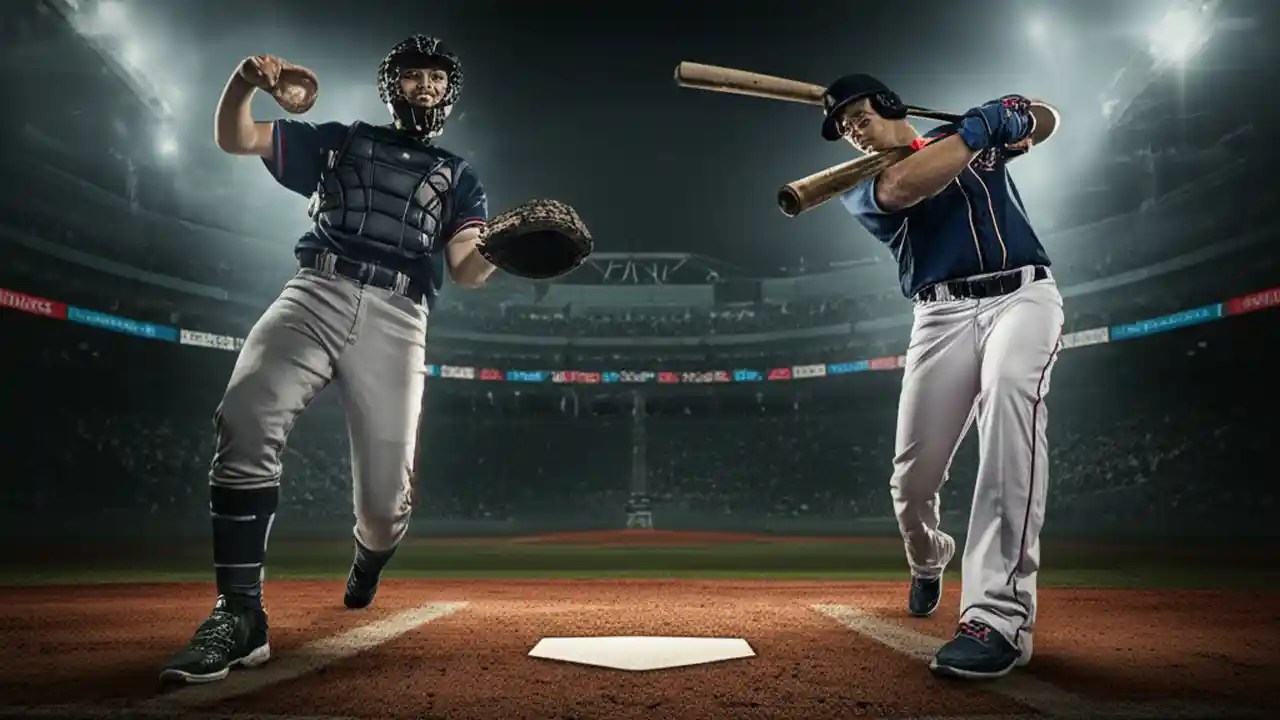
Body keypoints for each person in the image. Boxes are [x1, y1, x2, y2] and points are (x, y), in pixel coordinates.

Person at [159, 34, 496, 685]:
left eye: (436, 78)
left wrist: (505, 248)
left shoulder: (460, 175)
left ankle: (368, 560)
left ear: (449, 94)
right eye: (414, 75)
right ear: (392, 86)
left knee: (385, 509)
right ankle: (240, 614)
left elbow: (467, 268)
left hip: (400, 315)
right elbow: (236, 137)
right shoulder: (343, 140)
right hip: (317, 287)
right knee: (246, 416)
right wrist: (244, 80)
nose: (425, 86)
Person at [825, 74, 1064, 679]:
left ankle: (997, 617)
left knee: (1011, 406)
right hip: (940, 316)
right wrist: (979, 129)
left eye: (859, 117)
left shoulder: (963, 135)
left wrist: (1016, 112)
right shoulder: (859, 182)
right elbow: (906, 185)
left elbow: (1046, 123)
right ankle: (929, 555)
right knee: (911, 484)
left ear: (890, 105)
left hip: (1023, 298)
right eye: (845, 129)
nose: (854, 133)